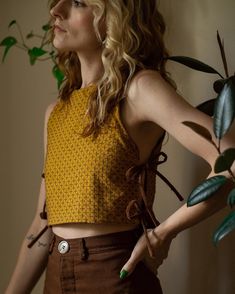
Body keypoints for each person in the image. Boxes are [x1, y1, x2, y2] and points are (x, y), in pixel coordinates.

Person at [5, 0, 234, 293]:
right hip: (54, 277)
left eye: (77, 3)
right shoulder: (56, 113)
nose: (56, 10)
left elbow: (230, 160)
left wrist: (163, 234)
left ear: (114, 18)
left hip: (114, 276)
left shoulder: (140, 90)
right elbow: (40, 228)